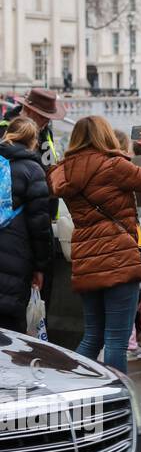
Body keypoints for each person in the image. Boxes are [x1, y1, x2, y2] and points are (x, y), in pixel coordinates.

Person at [48, 116, 141, 374]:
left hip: (86, 260)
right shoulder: (113, 166)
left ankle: (75, 389)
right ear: (104, 136)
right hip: (119, 260)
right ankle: (117, 402)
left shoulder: (64, 171)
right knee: (116, 342)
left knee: (92, 337)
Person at [0, 118, 52, 332]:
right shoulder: (33, 170)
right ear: (33, 142)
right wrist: (41, 267)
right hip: (16, 254)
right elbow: (39, 225)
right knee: (9, 332)